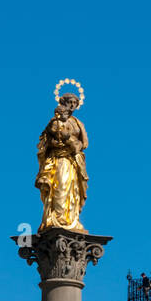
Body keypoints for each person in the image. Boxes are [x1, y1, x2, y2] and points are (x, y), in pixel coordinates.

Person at [35, 93, 89, 232]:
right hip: (60, 159)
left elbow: (85, 143)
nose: (72, 105)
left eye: (75, 103)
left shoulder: (78, 123)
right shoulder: (55, 122)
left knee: (74, 191)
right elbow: (48, 140)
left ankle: (71, 220)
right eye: (70, 102)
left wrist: (76, 145)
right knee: (61, 187)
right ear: (63, 103)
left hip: (73, 161)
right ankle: (59, 218)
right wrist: (63, 142)